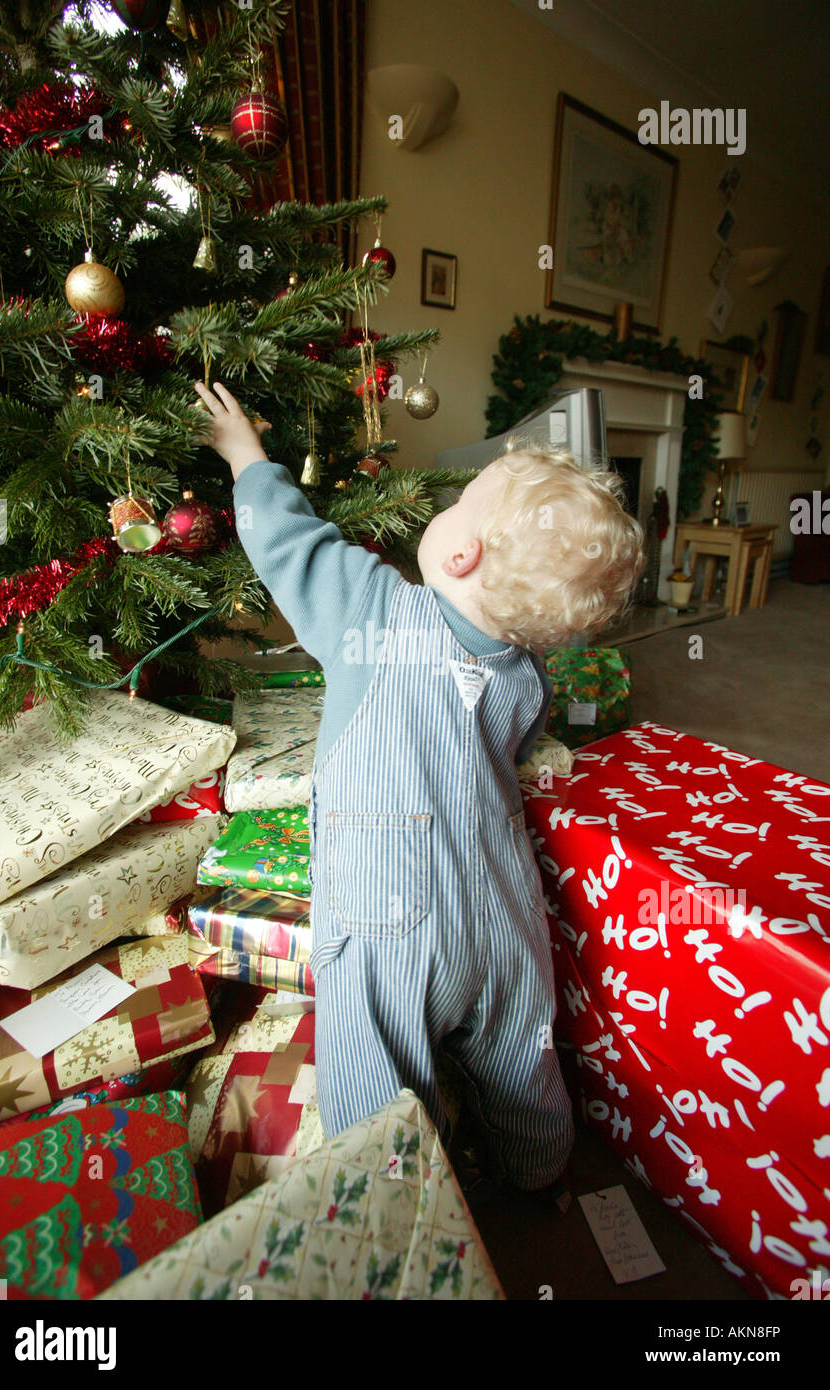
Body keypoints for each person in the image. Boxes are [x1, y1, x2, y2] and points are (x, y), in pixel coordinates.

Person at [194, 379, 645, 1197]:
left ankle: (394, 1208)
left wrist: (246, 457)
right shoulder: (526, 667)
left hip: (387, 912)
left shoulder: (377, 614)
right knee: (520, 1050)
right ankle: (536, 1171)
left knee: (376, 1069)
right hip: (504, 910)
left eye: (460, 500)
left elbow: (292, 546)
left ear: (458, 553)